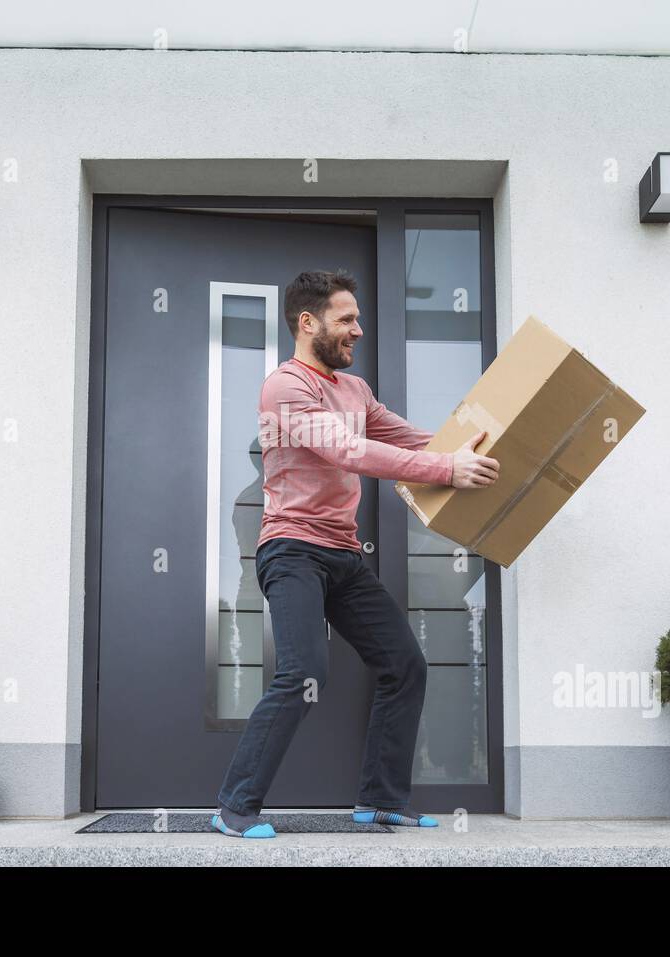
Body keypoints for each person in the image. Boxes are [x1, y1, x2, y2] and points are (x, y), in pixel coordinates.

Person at [212, 268, 499, 838]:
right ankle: (235, 806)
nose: (358, 330)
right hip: (291, 549)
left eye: (358, 319)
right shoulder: (285, 387)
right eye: (347, 319)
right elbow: (346, 450)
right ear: (307, 322)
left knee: (404, 665)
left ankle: (379, 800)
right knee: (302, 672)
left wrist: (466, 449)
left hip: (342, 556)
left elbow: (403, 437)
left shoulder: (355, 390)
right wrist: (446, 470)